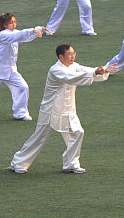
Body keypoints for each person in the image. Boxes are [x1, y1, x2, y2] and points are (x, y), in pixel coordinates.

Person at [8, 43, 117, 174]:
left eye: (73, 53)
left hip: (68, 109)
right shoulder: (56, 70)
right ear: (61, 57)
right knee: (39, 137)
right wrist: (95, 72)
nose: (72, 56)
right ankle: (18, 163)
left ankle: (71, 163)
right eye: (69, 54)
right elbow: (71, 78)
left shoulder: (73, 66)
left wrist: (104, 69)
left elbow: (86, 70)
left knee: (77, 133)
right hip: (51, 110)